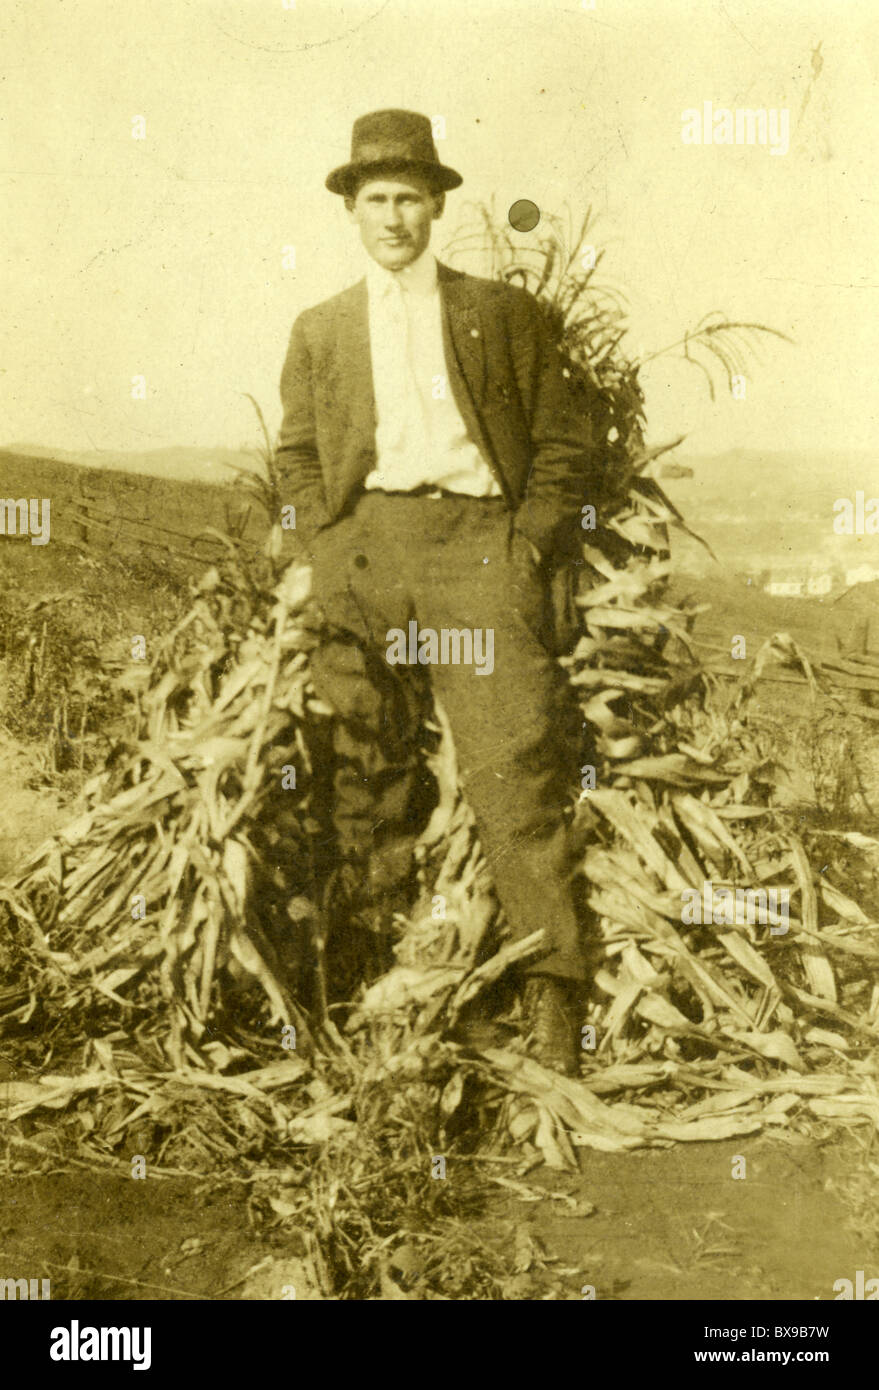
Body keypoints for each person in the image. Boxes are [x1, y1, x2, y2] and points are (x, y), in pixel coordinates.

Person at [277, 108, 609, 1072]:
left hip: (476, 552)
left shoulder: (501, 315)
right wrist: (322, 547)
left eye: (410, 201)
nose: (393, 219)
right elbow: (298, 454)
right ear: (351, 209)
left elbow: (565, 443)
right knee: (360, 768)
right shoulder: (321, 329)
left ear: (436, 207)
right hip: (366, 555)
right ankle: (375, 984)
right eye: (375, 200)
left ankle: (553, 999)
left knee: (514, 768)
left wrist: (524, 549)